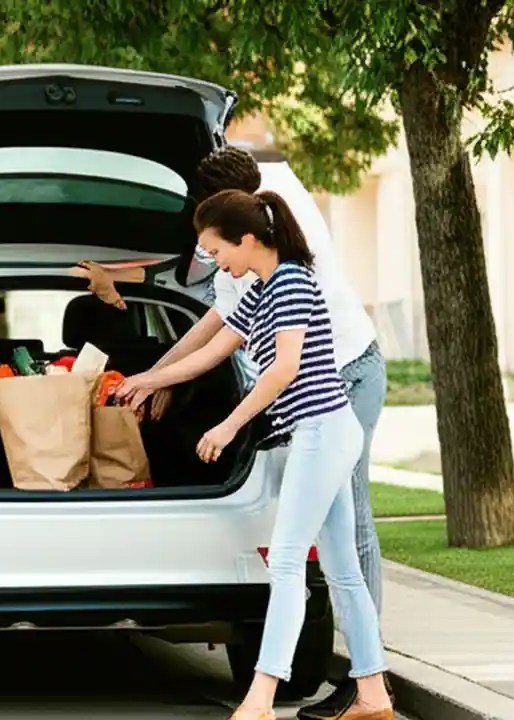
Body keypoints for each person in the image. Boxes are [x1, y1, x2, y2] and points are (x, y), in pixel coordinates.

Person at [117, 147, 390, 717]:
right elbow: (212, 349)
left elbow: (284, 369)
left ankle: (260, 701)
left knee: (288, 562)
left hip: (322, 432)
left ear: (244, 239)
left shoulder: (291, 281)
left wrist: (228, 422)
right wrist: (149, 378)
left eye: (217, 251)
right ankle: (373, 696)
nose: (216, 263)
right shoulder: (261, 289)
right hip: (320, 432)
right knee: (339, 570)